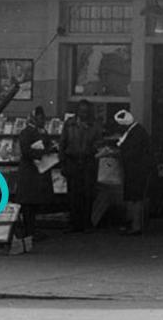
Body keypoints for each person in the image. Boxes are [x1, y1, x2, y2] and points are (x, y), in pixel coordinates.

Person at [59, 100, 102, 233]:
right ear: (77, 111)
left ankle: (86, 223)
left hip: (88, 161)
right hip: (72, 161)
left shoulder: (94, 125)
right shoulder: (69, 124)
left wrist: (91, 148)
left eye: (86, 112)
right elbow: (62, 143)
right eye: (81, 111)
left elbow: (98, 142)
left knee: (88, 194)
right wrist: (62, 162)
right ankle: (74, 223)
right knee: (73, 194)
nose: (84, 114)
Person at [16, 106, 55, 252]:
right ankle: (29, 231)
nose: (43, 121)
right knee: (28, 203)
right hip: (29, 172)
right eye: (40, 118)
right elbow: (26, 151)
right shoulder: (26, 132)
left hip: (39, 170)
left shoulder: (42, 132)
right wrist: (43, 151)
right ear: (34, 118)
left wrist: (51, 148)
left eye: (43, 118)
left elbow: (47, 144)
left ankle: (32, 229)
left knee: (35, 202)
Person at [115, 109, 154, 235]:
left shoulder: (135, 133)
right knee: (135, 197)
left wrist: (117, 153)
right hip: (137, 169)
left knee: (135, 197)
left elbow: (131, 152)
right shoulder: (137, 130)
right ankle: (134, 224)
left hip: (136, 170)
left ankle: (135, 225)